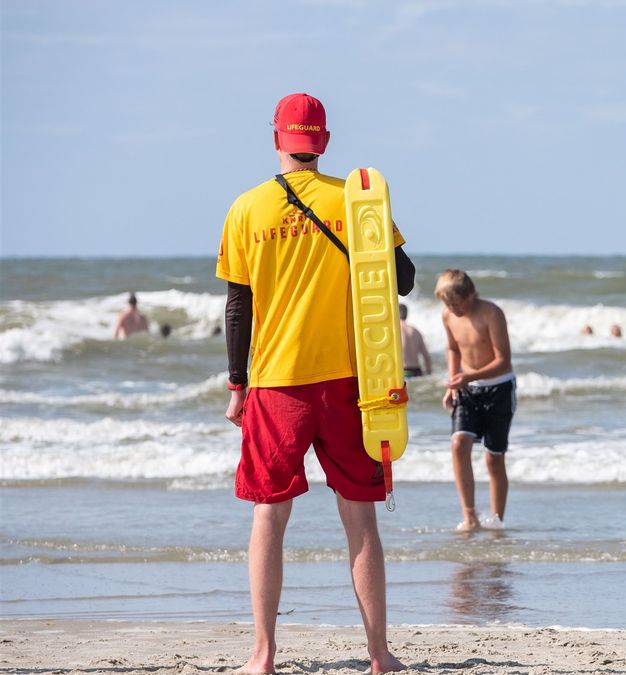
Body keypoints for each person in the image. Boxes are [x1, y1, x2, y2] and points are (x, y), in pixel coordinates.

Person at [215, 92, 413, 675]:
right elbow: (402, 279)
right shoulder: (357, 201)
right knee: (360, 518)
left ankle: (262, 655)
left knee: (269, 517)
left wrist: (237, 385)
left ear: (278, 138)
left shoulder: (245, 209)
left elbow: (237, 308)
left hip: (276, 384)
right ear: (323, 141)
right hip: (351, 383)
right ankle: (379, 655)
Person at [437, 269, 515, 533]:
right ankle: (469, 516)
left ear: (471, 294)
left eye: (457, 304)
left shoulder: (491, 313)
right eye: (448, 304)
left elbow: (503, 360)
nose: (453, 309)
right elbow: (452, 348)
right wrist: (453, 382)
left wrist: (468, 376)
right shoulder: (448, 315)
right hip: (466, 388)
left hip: (499, 388)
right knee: (459, 444)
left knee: (494, 458)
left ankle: (496, 519)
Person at [399, 303, 432, 378]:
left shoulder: (395, 330)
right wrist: (428, 373)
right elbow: (426, 356)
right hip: (417, 371)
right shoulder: (416, 331)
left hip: (403, 371)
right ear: (406, 314)